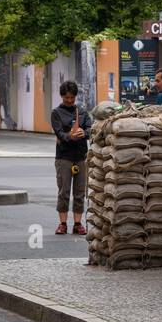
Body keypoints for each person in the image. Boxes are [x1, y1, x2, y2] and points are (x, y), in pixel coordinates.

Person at [50, 81, 92, 236]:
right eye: (67, 97)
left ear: (75, 96)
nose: (69, 100)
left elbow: (90, 129)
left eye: (72, 97)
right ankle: (62, 223)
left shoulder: (82, 111)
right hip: (64, 157)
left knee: (80, 191)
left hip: (81, 156)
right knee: (64, 191)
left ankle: (77, 223)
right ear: (62, 96)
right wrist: (70, 135)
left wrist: (84, 133)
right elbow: (59, 133)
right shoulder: (56, 113)